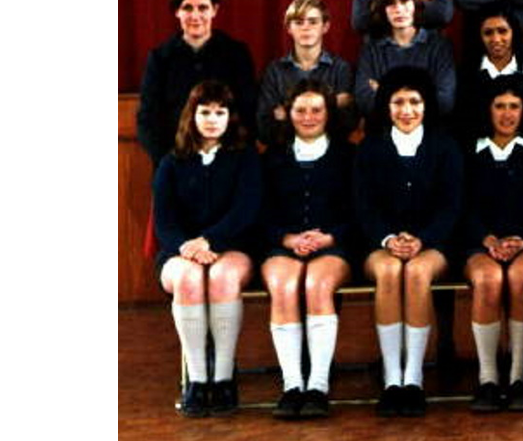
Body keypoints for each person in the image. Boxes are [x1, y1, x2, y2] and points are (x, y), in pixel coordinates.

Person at [355, 66, 463, 417]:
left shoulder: (445, 147)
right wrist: (387, 238)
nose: (406, 110)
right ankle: (392, 380)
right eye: (398, 101)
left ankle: (413, 379)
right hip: (380, 243)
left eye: (414, 101)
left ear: (426, 105)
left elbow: (452, 205)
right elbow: (363, 205)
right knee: (389, 273)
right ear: (386, 106)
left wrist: (423, 239)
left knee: (416, 273)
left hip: (433, 244)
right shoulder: (370, 148)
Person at [154, 80, 261, 417]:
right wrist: (188, 247)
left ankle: (224, 378)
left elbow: (246, 210)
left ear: (230, 117)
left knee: (221, 279)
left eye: (220, 112)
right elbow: (164, 221)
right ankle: (198, 381)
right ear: (192, 115)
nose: (212, 119)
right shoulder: (171, 162)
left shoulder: (245, 157)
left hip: (232, 245)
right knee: (188, 281)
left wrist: (210, 241)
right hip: (180, 250)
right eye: (205, 112)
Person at [259, 80, 355, 419]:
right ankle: (291, 386)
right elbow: (261, 212)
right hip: (281, 245)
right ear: (288, 113)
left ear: (328, 113)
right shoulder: (272, 157)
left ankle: (318, 386)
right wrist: (286, 239)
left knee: (317, 285)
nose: (309, 117)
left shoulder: (347, 155)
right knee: (285, 286)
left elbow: (358, 211)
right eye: (301, 110)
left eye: (317, 110)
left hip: (333, 244)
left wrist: (329, 237)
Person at [461, 78, 523, 412]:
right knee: (488, 281)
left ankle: (519, 378)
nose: (507, 114)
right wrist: (485, 238)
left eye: (514, 106)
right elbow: (460, 204)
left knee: (521, 279)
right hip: (480, 242)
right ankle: (488, 379)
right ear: (488, 109)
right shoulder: (470, 149)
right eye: (499, 106)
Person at [138, 0, 256, 166]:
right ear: (177, 11)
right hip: (175, 160)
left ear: (214, 10)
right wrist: (169, 161)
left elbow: (248, 110)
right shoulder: (160, 58)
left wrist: (232, 158)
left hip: (228, 162)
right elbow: (147, 118)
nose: (195, 16)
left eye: (203, 8)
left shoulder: (236, 54)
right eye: (187, 8)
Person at [257, 0, 355, 146]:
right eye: (298, 22)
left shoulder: (341, 68)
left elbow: (347, 123)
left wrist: (286, 113)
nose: (306, 28)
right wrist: (330, 105)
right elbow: (264, 127)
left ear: (325, 26)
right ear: (289, 28)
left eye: (313, 22)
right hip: (285, 150)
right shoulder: (274, 71)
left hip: (331, 150)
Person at [355, 0, 456, 118]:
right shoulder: (371, 49)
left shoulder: (439, 46)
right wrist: (423, 94)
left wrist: (382, 91)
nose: (398, 9)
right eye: (390, 3)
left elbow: (444, 102)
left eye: (404, 0)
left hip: (429, 132)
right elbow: (365, 103)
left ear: (415, 3)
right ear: (383, 9)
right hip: (383, 132)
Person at [455, 7, 523, 144]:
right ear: (479, 37)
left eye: (502, 31)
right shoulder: (467, 73)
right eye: (488, 33)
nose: (496, 39)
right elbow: (462, 122)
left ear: (514, 33)